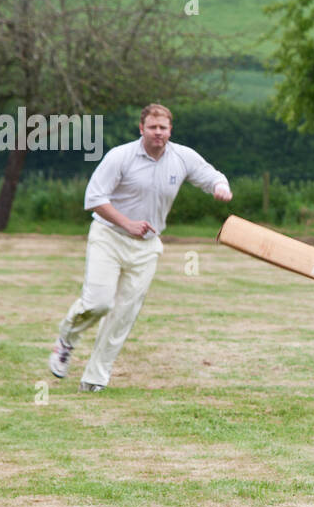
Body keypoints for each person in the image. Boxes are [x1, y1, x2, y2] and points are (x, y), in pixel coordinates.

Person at [48, 103, 231, 391]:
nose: (158, 133)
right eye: (152, 127)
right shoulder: (120, 156)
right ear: (141, 129)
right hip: (108, 236)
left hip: (146, 247)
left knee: (123, 315)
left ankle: (95, 377)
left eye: (163, 128)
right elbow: (94, 197)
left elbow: (211, 176)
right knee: (99, 302)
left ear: (170, 130)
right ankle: (66, 341)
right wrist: (127, 223)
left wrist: (221, 187)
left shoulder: (181, 157)